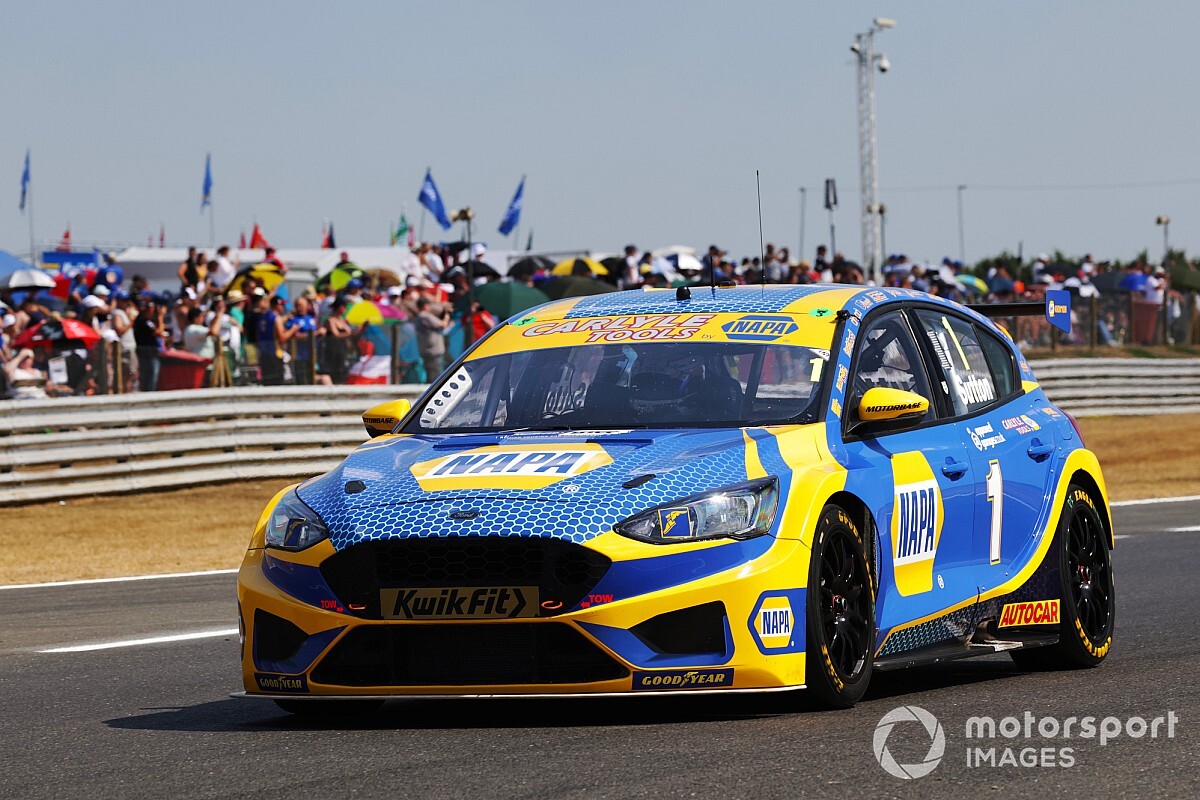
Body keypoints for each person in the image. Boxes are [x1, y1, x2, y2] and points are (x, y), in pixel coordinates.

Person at [133, 297, 166, 391]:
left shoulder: (148, 320)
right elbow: (158, 333)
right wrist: (160, 316)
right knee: (150, 376)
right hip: (147, 352)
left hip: (148, 351)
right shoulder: (143, 320)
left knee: (150, 375)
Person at [415, 295, 450, 381]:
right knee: (435, 376)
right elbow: (442, 325)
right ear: (425, 305)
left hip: (428, 349)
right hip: (432, 350)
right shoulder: (424, 316)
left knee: (432, 373)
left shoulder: (421, 316)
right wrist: (446, 317)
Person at [110, 291, 137, 393]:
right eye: (124, 301)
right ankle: (125, 395)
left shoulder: (125, 312)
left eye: (127, 300)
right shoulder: (117, 313)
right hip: (125, 349)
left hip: (129, 348)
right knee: (127, 375)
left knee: (131, 374)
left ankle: (127, 393)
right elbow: (119, 330)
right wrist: (131, 322)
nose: (126, 303)